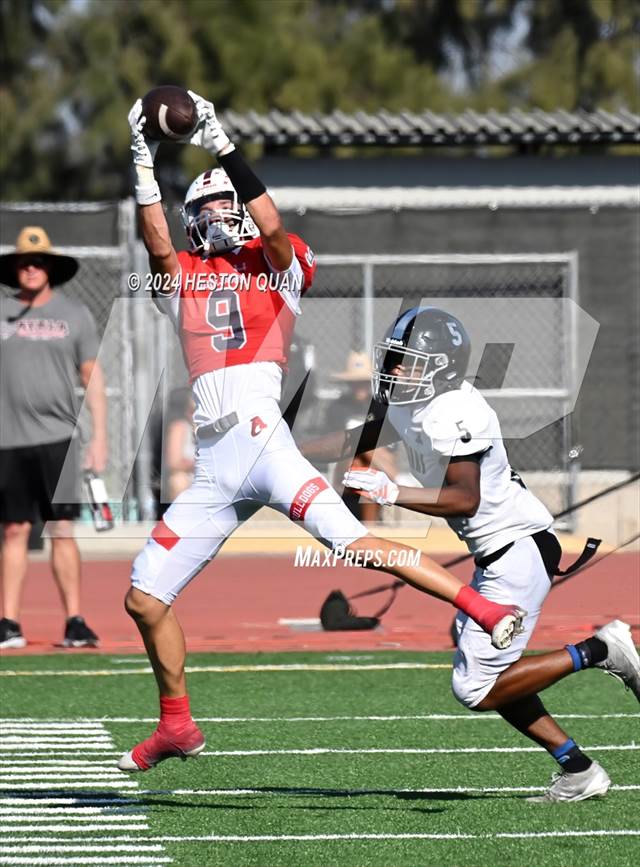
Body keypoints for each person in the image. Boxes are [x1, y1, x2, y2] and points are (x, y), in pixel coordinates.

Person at [118, 93, 526, 773]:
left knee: (360, 545)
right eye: (205, 210)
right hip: (215, 463)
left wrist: (224, 146)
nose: (216, 218)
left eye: (227, 206)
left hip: (262, 442)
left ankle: (484, 609)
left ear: (245, 211)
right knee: (142, 595)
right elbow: (157, 242)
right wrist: (141, 157)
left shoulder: (280, 267)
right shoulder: (183, 276)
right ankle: (176, 722)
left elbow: (275, 230)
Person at [326, 306, 639, 802]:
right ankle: (577, 769)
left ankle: (600, 650)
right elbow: (359, 436)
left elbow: (463, 498)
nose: (395, 370)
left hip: (516, 549)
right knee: (492, 674)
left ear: (442, 366)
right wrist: (284, 451)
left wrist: (391, 491)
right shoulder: (407, 397)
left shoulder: (458, 409)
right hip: (500, 550)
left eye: (409, 361)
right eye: (396, 358)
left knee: (475, 687)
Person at [0, 227, 106, 649]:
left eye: (39, 261)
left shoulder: (74, 314)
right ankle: (8, 622)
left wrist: (100, 440)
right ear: (15, 267)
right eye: (24, 261)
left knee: (62, 530)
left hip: (59, 437)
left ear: (50, 268)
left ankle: (75, 621)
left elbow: (93, 378)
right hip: (7, 440)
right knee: (13, 530)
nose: (31, 267)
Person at [327, 351, 397, 523]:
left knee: (364, 461)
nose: (360, 388)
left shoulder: (381, 408)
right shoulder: (337, 409)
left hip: (377, 464)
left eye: (363, 383)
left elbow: (390, 452)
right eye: (355, 383)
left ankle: (369, 526)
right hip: (346, 466)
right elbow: (334, 447)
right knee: (356, 459)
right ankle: (367, 527)